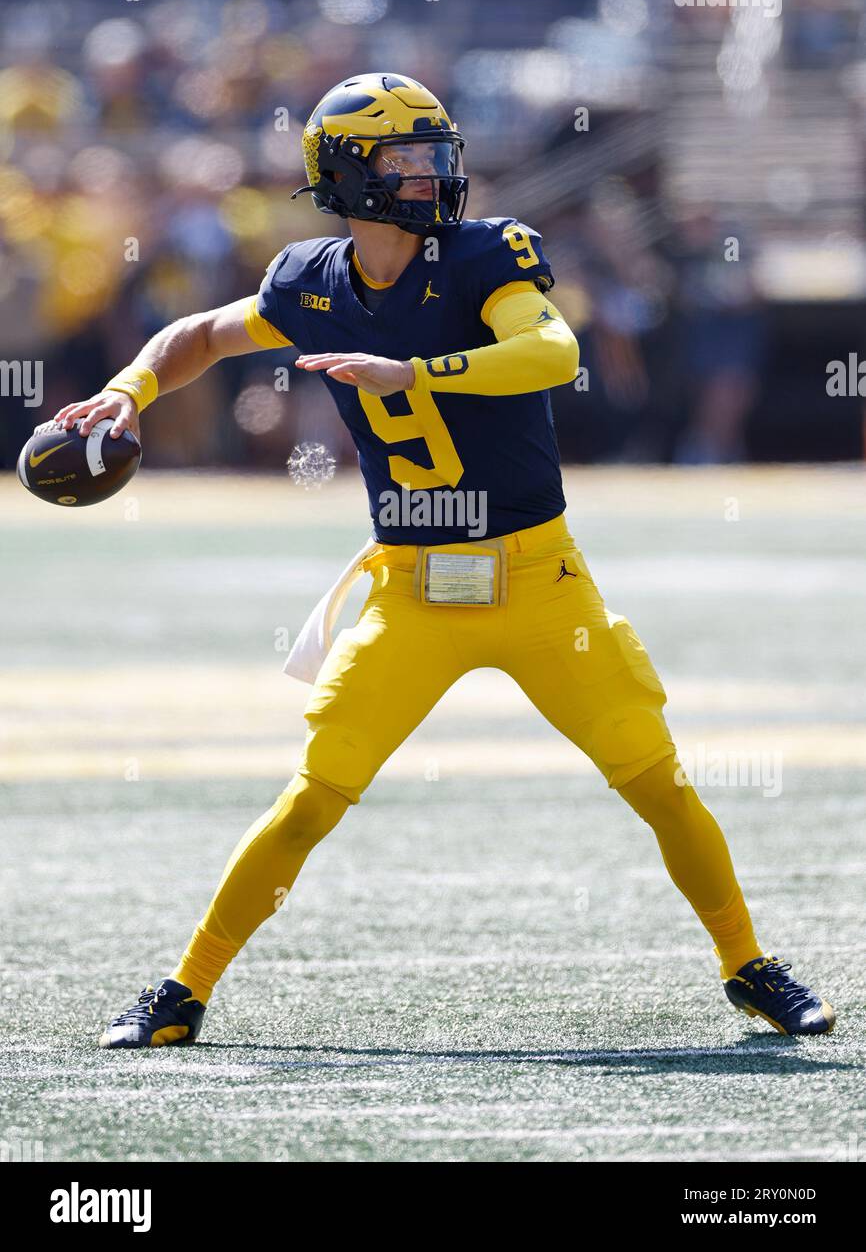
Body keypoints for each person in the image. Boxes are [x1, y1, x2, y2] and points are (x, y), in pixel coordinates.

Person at [53, 73, 833, 1046]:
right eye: (407, 158)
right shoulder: (312, 279)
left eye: (436, 153)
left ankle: (746, 964)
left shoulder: (480, 257)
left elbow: (550, 350)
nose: (433, 174)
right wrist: (130, 389)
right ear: (346, 171)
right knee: (308, 800)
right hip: (411, 590)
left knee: (657, 782)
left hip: (537, 580)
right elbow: (205, 333)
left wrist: (412, 373)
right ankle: (183, 989)